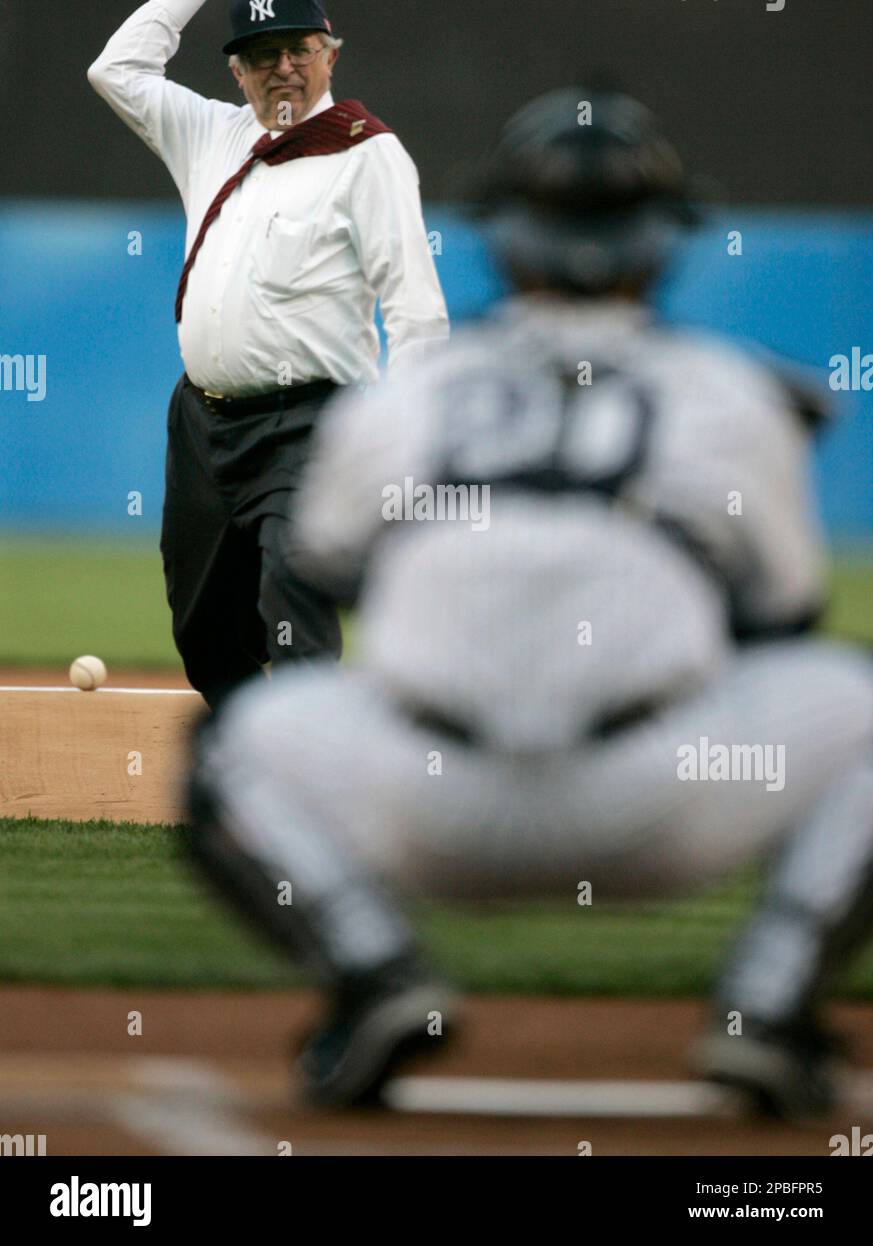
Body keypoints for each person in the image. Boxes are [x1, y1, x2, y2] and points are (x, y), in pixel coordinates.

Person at [183, 87, 873, 1115]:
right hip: (665, 798)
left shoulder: (408, 392)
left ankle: (375, 971)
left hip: (425, 793)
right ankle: (763, 1012)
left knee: (230, 745)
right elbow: (781, 616)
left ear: (503, 233)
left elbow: (329, 570)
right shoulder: (732, 390)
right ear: (663, 238)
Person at [87, 0, 448, 711]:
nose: (281, 66)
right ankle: (253, 766)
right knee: (206, 633)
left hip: (312, 422)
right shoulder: (212, 134)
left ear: (329, 55)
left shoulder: (365, 153)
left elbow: (412, 304)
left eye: (297, 49)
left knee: (295, 599)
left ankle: (322, 782)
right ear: (236, 71)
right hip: (202, 424)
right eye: (260, 54)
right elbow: (114, 71)